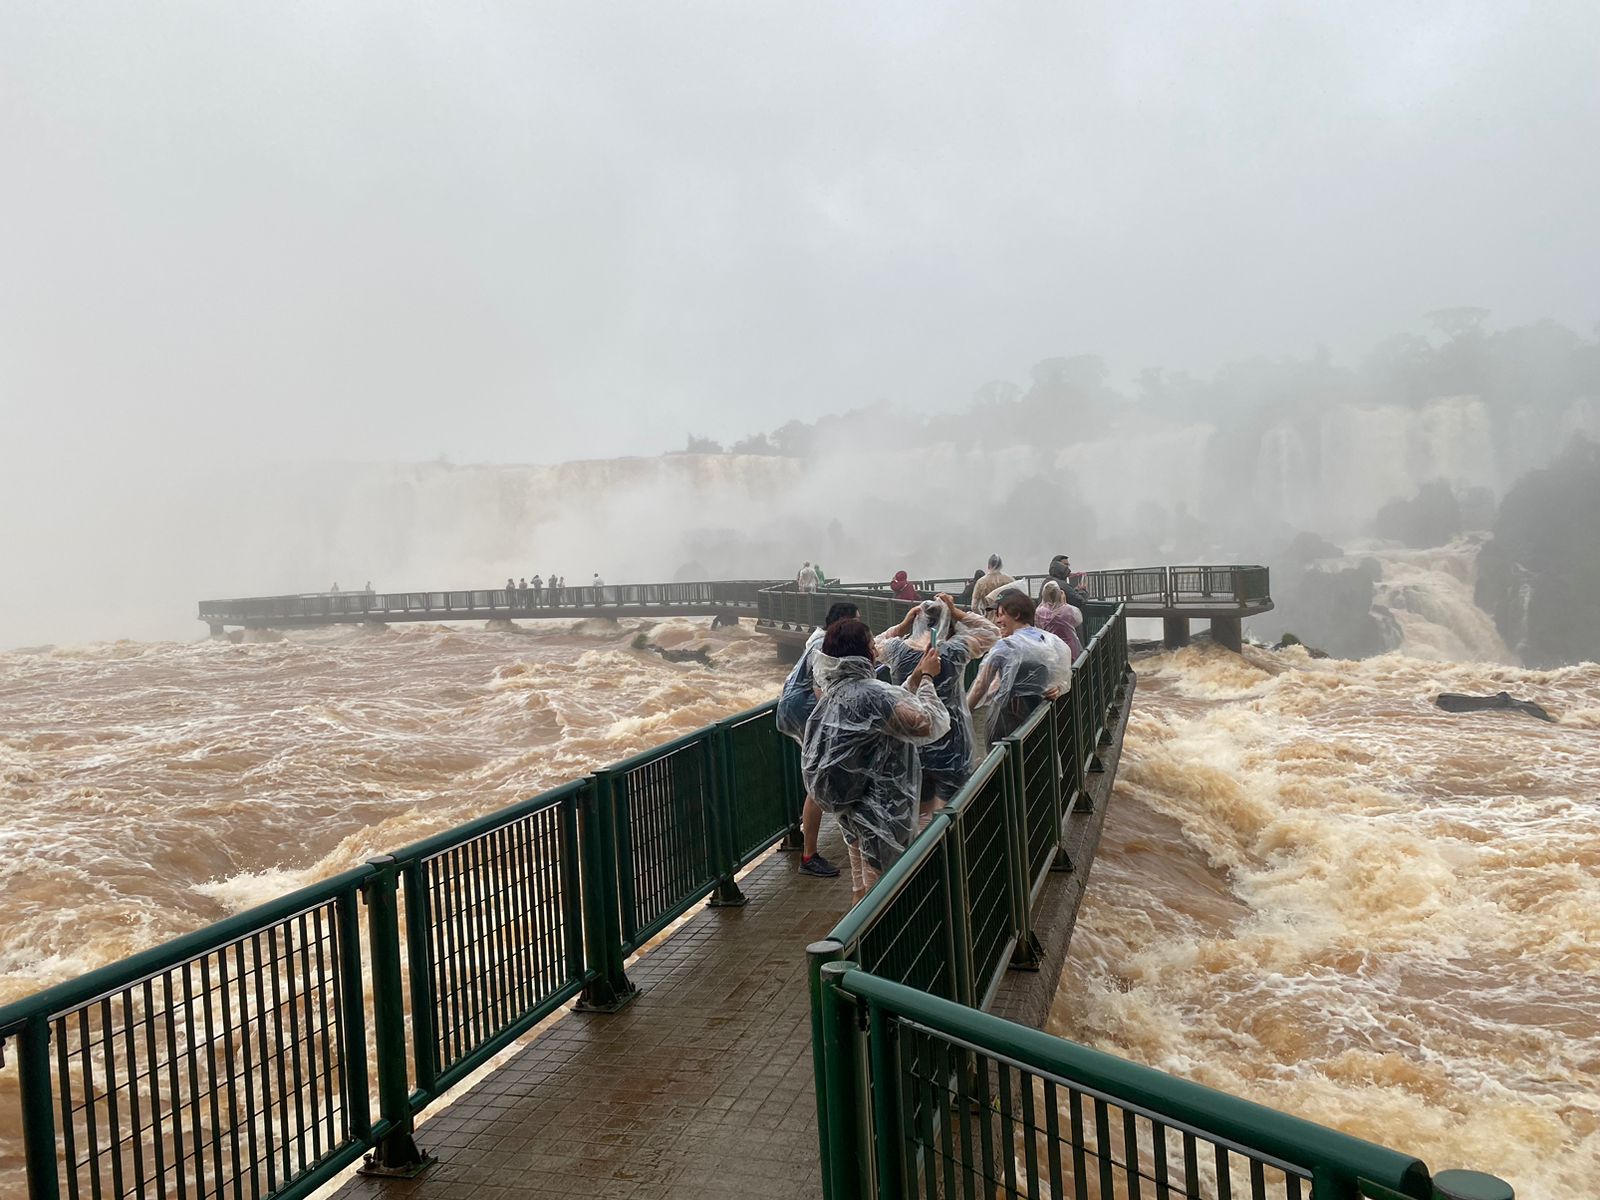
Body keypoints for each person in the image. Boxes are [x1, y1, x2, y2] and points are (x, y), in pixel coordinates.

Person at [802, 619, 951, 902]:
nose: (875, 651)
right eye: (872, 646)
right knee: (880, 899)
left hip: (850, 810)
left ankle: (858, 944)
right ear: (863, 654)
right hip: (880, 814)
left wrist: (917, 675)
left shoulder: (834, 694)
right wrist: (930, 679)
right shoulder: (871, 693)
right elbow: (926, 723)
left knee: (861, 889)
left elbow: (890, 712)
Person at [874, 593, 999, 824]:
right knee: (955, 808)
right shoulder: (955, 649)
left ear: (917, 622)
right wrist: (957, 611)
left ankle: (928, 855)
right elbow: (992, 632)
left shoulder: (897, 651)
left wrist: (902, 626)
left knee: (921, 813)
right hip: (953, 739)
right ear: (948, 622)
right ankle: (954, 852)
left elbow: (873, 644)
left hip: (914, 739)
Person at [775, 601, 860, 878]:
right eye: (855, 621)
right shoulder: (822, 646)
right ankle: (809, 856)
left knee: (824, 774)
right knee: (820, 778)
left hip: (795, 708)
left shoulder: (821, 640)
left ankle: (813, 846)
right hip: (801, 709)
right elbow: (819, 688)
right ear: (842, 623)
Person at [967, 590, 1074, 747]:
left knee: (1005, 766)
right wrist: (1057, 688)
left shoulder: (1006, 646)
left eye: (1001, 615)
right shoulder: (1051, 641)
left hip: (1006, 721)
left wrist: (964, 714)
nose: (997, 621)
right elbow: (1062, 675)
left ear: (1016, 615)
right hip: (1040, 717)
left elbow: (980, 687)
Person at [1036, 579, 1084, 658]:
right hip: (1070, 649)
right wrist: (1064, 602)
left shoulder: (1039, 612)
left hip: (1050, 648)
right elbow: (1078, 620)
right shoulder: (1067, 610)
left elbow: (1038, 626)